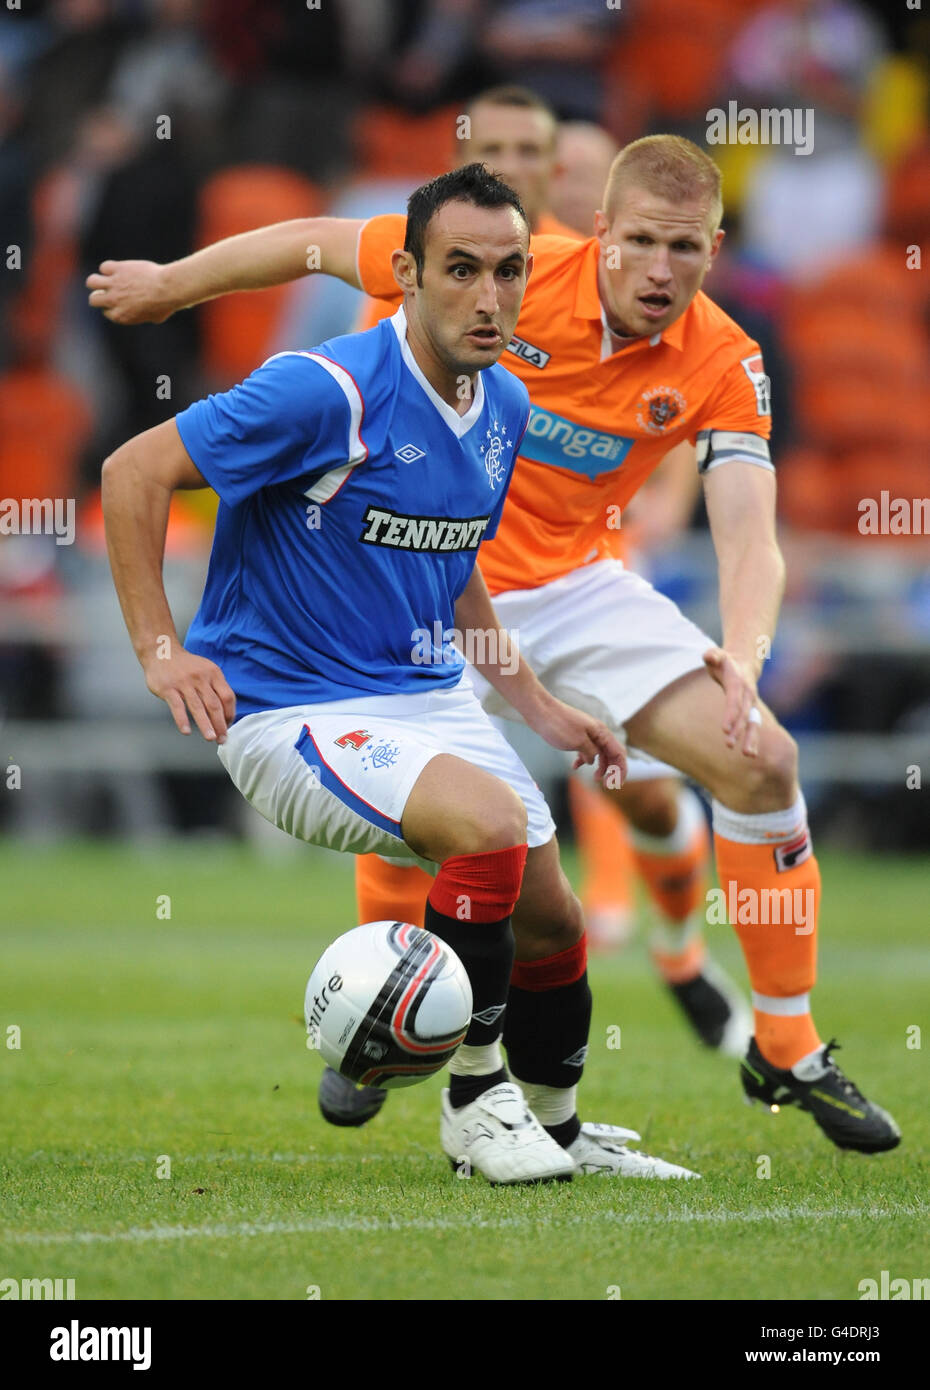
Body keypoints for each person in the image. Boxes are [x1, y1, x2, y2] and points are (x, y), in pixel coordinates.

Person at [88, 136, 901, 1155]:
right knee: (469, 825)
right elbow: (309, 245)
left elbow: (747, 534)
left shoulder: (705, 361)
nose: (660, 269)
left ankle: (756, 1049)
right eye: (641, 242)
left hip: (556, 587)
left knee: (748, 765)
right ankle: (432, 1068)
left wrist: (738, 655)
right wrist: (171, 285)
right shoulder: (431, 326)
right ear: (598, 236)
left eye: (684, 249)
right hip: (375, 634)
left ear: (714, 249)